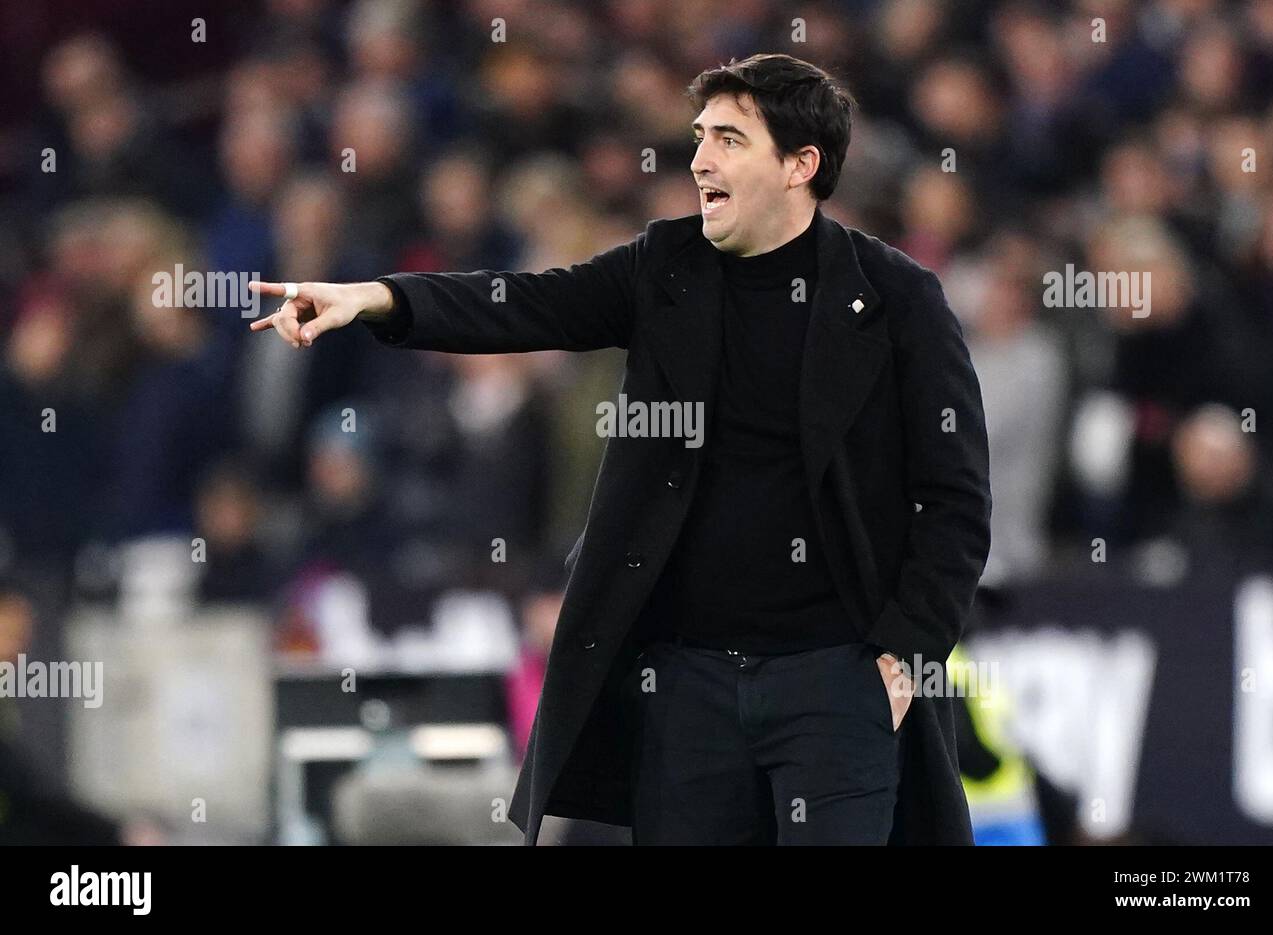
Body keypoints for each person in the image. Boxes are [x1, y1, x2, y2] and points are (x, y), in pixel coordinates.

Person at [248, 53, 991, 845]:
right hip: (689, 685)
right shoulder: (666, 267)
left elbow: (955, 498)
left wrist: (904, 653)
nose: (701, 159)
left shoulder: (898, 298)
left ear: (801, 164)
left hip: (837, 680)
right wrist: (377, 298)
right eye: (701, 137)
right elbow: (525, 305)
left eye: (731, 141)